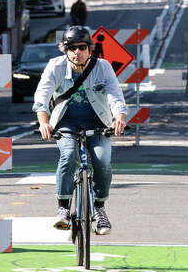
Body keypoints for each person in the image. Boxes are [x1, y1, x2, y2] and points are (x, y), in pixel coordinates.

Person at [34, 25, 128, 235]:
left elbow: (115, 96)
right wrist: (43, 121)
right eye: (72, 48)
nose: (78, 52)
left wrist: (119, 118)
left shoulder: (103, 67)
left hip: (97, 124)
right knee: (68, 156)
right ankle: (63, 208)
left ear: (90, 49)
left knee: (102, 161)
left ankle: (100, 209)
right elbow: (41, 97)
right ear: (65, 50)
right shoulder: (55, 66)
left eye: (82, 47)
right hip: (66, 123)